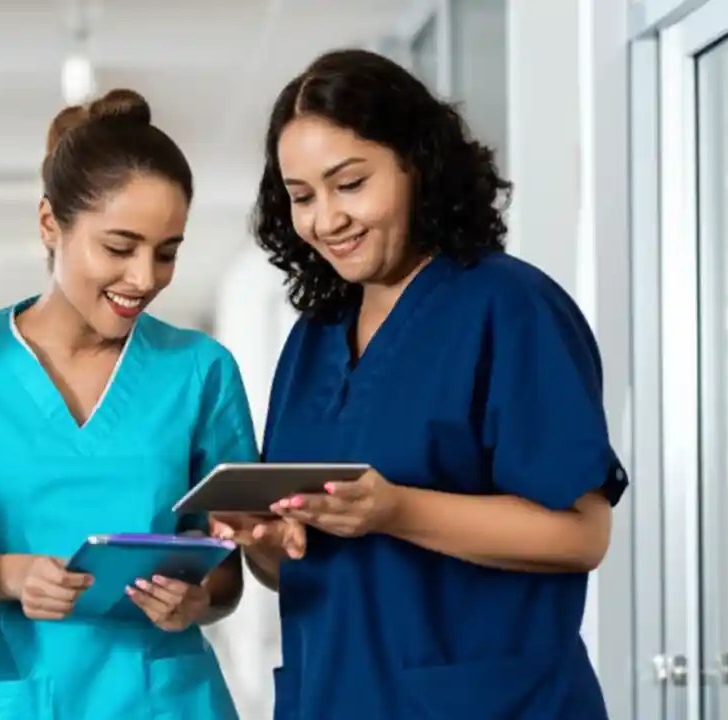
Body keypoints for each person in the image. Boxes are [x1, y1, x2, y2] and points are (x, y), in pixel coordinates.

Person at [212, 50, 628, 719]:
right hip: (334, 697)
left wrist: (397, 510)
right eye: (302, 197)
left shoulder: (509, 307)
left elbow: (581, 534)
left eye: (350, 183)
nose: (326, 219)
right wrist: (266, 543)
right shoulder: (315, 337)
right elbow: (305, 564)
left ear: (417, 166)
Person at [0, 89, 254, 719]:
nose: (144, 278)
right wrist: (8, 576)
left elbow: (227, 572)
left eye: (167, 252)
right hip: (14, 697)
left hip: (167, 700)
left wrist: (196, 602)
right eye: (119, 247)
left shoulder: (201, 371)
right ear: (50, 225)